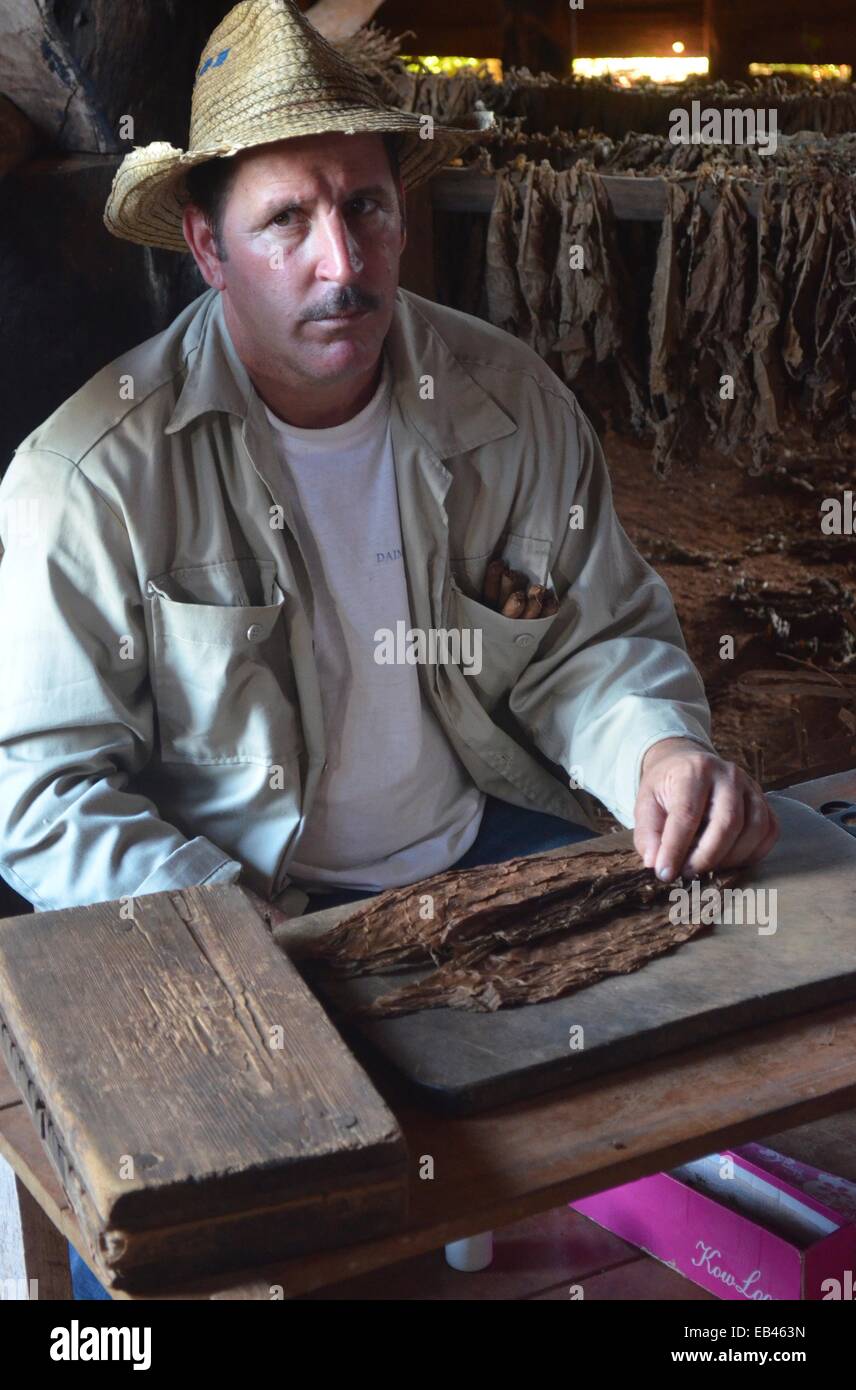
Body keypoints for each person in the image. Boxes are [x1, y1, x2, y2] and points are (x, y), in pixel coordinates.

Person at [0, 0, 777, 1299]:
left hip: (473, 858)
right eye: (285, 223)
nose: (340, 265)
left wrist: (654, 742)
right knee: (161, 1232)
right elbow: (41, 790)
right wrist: (225, 932)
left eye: (364, 208)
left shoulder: (504, 400)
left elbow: (587, 635)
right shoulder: (87, 481)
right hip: (237, 903)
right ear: (205, 243)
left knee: (739, 994)